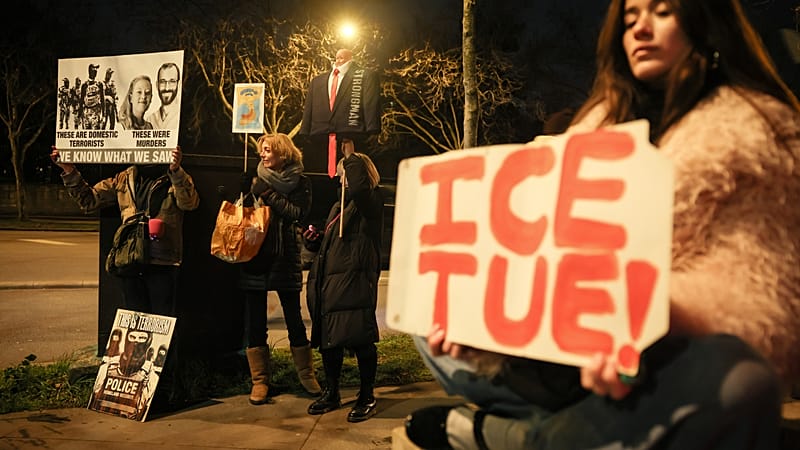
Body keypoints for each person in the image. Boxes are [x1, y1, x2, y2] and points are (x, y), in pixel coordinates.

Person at [405, 0, 800, 448]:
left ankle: (522, 437)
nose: (640, 30)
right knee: (427, 318)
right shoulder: (593, 126)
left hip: (666, 356)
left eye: (662, 12)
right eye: (630, 19)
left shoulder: (760, 133)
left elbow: (761, 300)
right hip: (563, 358)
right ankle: (588, 427)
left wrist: (631, 321)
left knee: (743, 382)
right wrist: (480, 323)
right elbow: (538, 254)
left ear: (706, 24)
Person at [302, 139, 384, 423]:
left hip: (354, 284)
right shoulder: (339, 206)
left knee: (360, 339)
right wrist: (313, 243)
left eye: (343, 172)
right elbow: (331, 246)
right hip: (330, 286)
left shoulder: (370, 202)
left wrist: (349, 155)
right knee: (330, 341)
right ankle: (332, 391)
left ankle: (366, 395)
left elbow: (360, 187)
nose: (339, 177)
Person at [238, 133, 322, 404]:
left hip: (284, 256)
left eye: (268, 151)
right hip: (255, 255)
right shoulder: (255, 178)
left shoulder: (301, 182)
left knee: (294, 318)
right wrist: (246, 191)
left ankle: (306, 375)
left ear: (283, 154)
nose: (263, 155)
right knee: (255, 322)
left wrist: (267, 194)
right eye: (262, 151)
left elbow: (297, 213)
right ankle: (260, 381)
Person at [298, 48, 380, 178]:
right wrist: (305, 129)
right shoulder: (318, 81)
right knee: (320, 177)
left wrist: (372, 128)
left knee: (351, 174)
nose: (339, 59)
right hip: (320, 135)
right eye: (338, 57)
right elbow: (309, 107)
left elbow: (370, 102)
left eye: (342, 57)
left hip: (351, 131)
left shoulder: (365, 76)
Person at [89, 329, 158, 421]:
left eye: (142, 338)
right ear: (126, 339)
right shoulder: (108, 367)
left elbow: (144, 407)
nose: (136, 341)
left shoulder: (150, 376)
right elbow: (95, 395)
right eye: (132, 337)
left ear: (148, 342)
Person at [148, 62, 181, 129]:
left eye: (172, 81)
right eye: (162, 82)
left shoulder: (183, 115)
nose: (167, 88)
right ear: (157, 85)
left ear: (179, 84)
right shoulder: (150, 120)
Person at [80, 63, 105, 130]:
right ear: (90, 71)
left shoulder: (99, 84)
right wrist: (80, 115)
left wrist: (104, 115)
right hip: (86, 112)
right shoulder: (84, 85)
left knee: (95, 133)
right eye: (94, 70)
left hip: (96, 112)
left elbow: (103, 100)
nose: (95, 71)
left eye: (96, 70)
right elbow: (81, 100)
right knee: (86, 134)